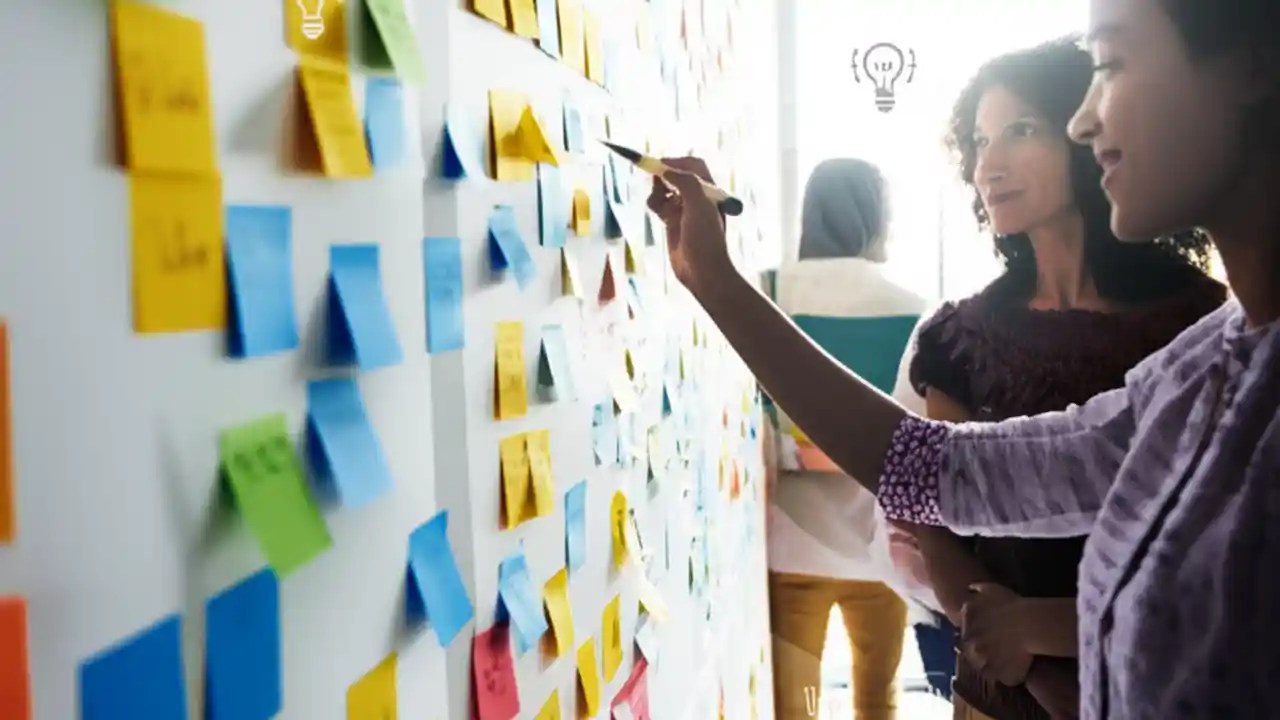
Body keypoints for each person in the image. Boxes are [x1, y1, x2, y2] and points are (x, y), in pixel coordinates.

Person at [646, 0, 1279, 714]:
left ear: (1252, 64)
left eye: (1111, 64)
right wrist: (713, 280)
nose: (1085, 120)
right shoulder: (1203, 364)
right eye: (981, 141)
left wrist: (1036, 636)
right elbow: (938, 470)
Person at [899, 39, 1226, 720]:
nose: (990, 163)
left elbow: (1209, 535)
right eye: (980, 140)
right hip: (997, 692)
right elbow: (940, 528)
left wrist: (1049, 630)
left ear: (1086, 129)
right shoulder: (959, 337)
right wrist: (1030, 665)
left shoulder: (1199, 320)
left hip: (1159, 682)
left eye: (1020, 130)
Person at [764, 158, 928, 720]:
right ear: (875, 217)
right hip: (879, 544)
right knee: (878, 701)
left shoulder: (768, 290)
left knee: (798, 705)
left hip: (787, 541)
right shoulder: (913, 309)